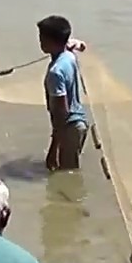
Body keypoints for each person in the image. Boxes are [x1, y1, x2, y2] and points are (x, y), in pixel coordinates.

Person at [37, 15, 89, 171]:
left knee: (67, 175)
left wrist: (53, 148)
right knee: (68, 171)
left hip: (69, 129)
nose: (40, 42)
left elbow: (61, 112)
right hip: (80, 123)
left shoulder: (55, 73)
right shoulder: (69, 56)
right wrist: (77, 44)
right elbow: (80, 45)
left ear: (52, 41)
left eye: (42, 38)